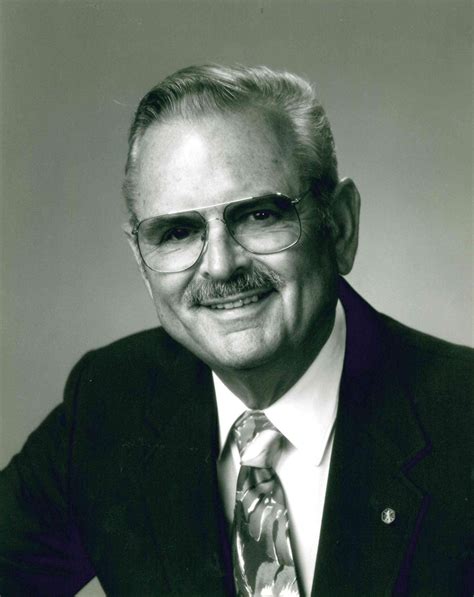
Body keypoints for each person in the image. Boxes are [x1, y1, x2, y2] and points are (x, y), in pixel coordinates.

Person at [0, 64, 472, 597]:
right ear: (141, 260)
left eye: (259, 216)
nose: (220, 266)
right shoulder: (109, 402)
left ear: (339, 226)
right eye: (177, 232)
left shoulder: (464, 417)